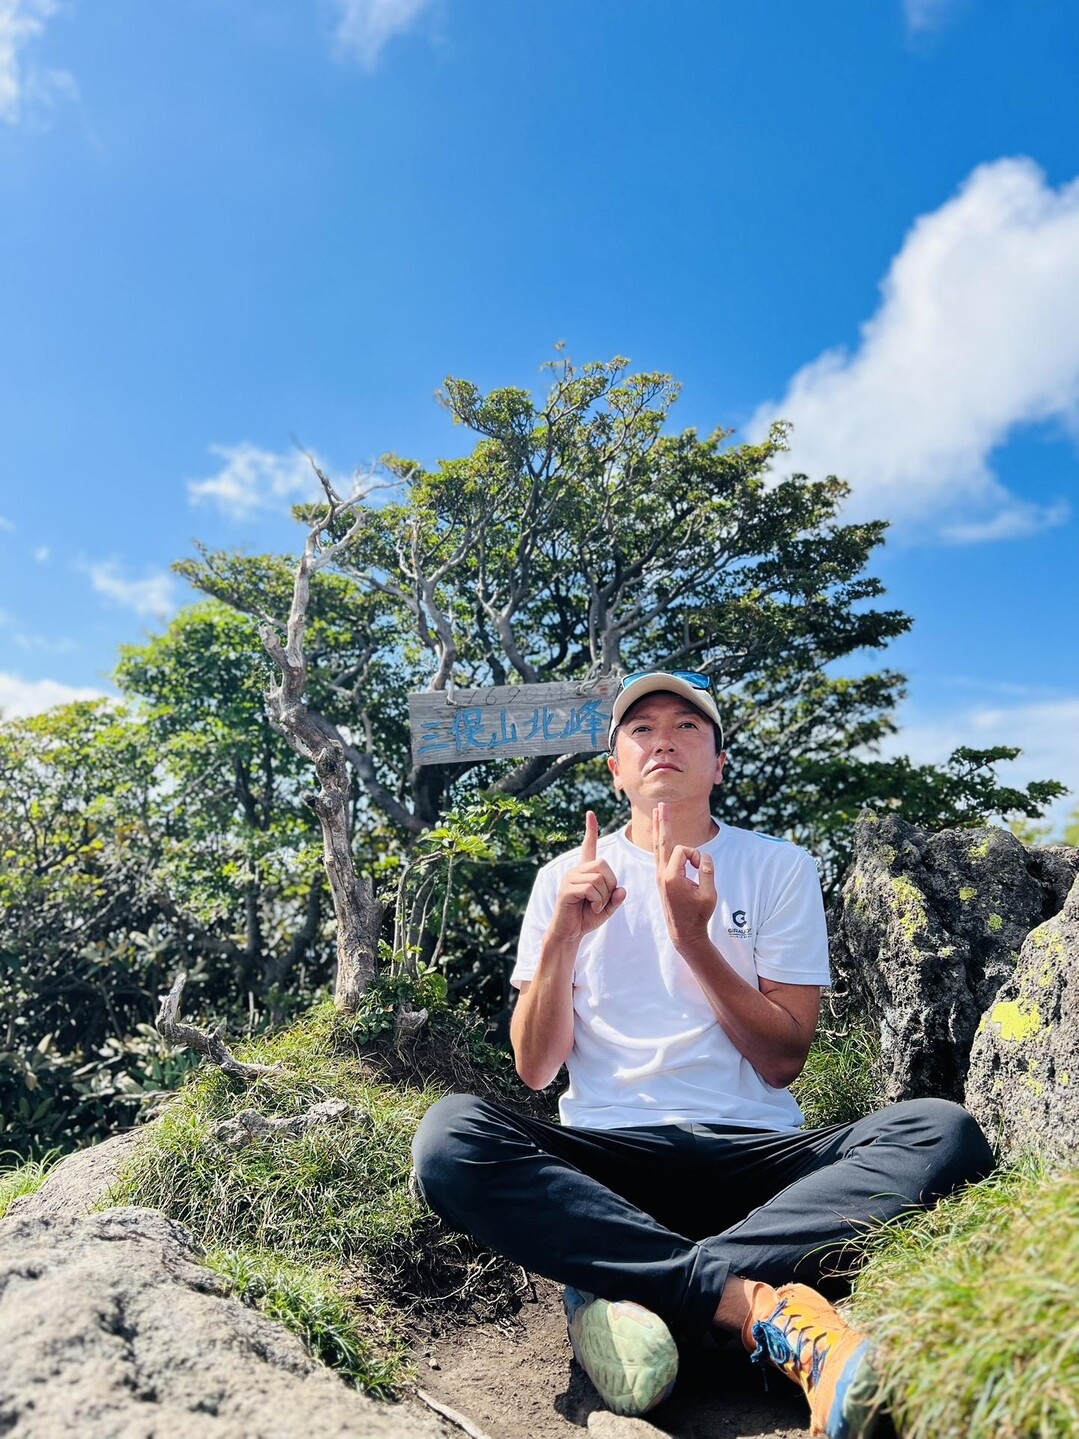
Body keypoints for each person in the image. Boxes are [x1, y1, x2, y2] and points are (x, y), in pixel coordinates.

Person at [412, 670, 994, 1439]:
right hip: (607, 1164)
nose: (662, 739)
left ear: (718, 763)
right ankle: (752, 1306)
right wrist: (562, 936)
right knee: (449, 1139)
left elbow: (782, 1058)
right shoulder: (563, 877)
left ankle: (624, 1283)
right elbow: (534, 1067)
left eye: (686, 727)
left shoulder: (776, 865)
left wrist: (694, 938)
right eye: (640, 728)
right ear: (614, 765)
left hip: (755, 1162)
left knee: (940, 1131)